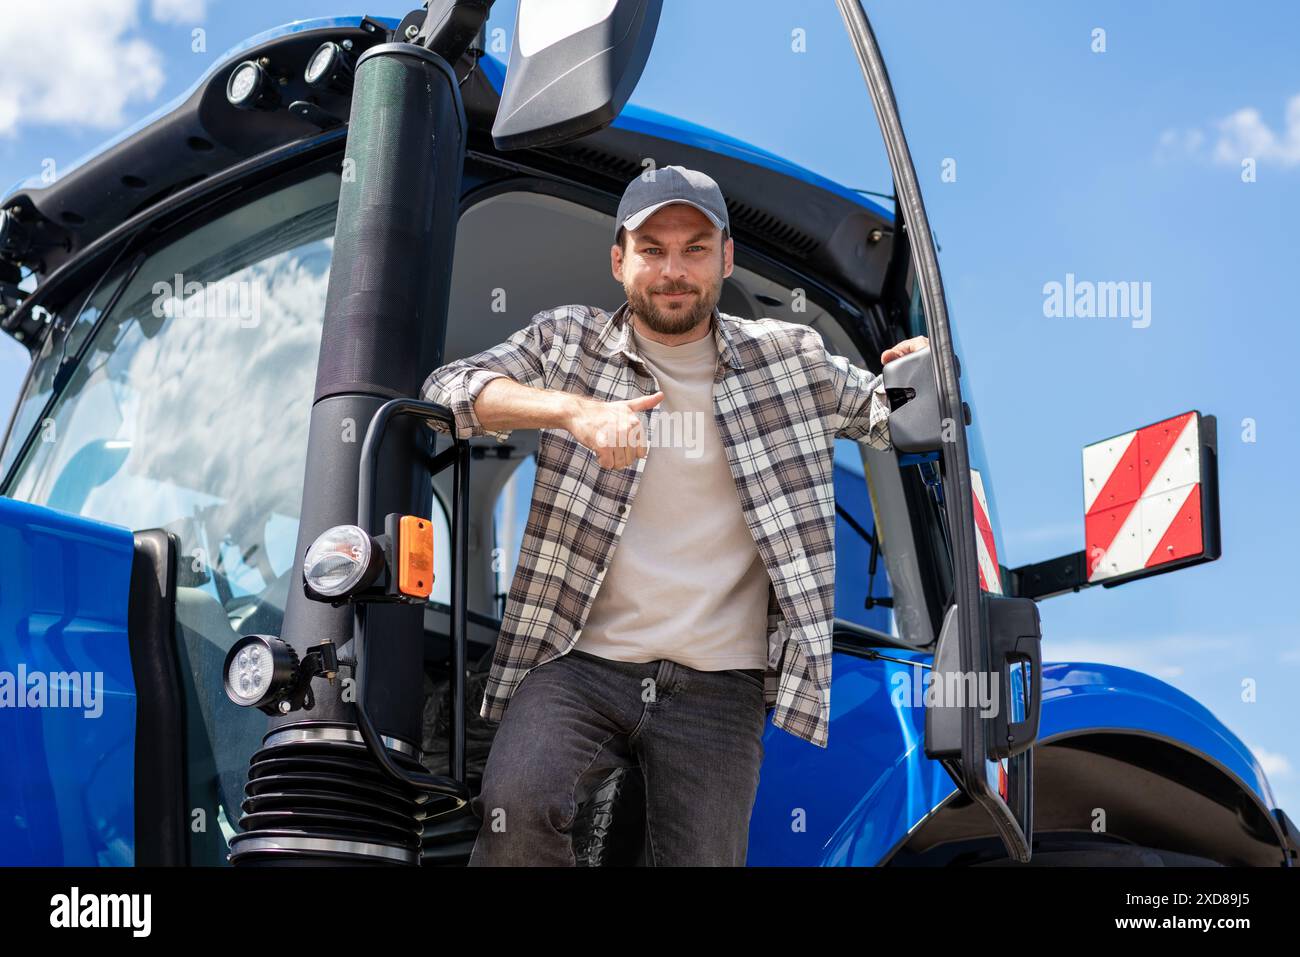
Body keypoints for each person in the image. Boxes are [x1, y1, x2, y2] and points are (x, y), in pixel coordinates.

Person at [421, 165, 929, 865]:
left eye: (694, 248)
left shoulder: (791, 360)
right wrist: (573, 411)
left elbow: (893, 413)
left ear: (724, 258)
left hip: (718, 686)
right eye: (652, 249)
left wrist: (929, 368)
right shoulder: (568, 343)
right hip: (581, 663)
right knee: (519, 809)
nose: (673, 270)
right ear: (619, 260)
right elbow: (448, 392)